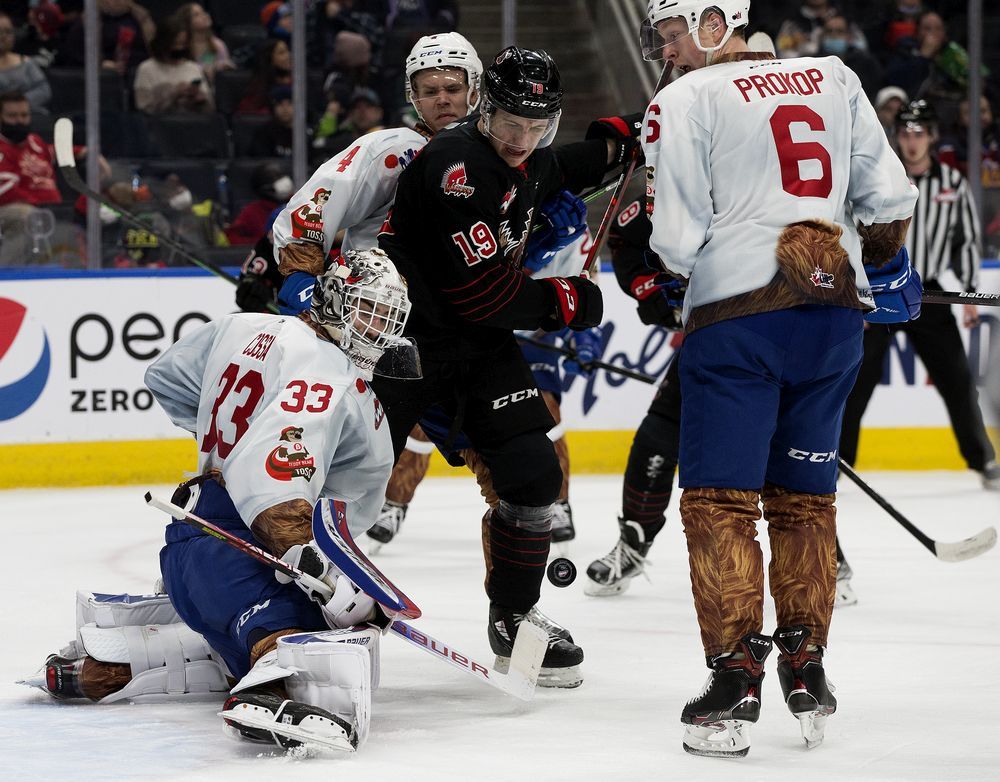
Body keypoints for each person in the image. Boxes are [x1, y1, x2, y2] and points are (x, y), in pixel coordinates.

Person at [640, 0, 918, 757]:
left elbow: (676, 236)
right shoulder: (831, 74)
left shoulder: (684, 98)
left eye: (672, 33)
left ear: (712, 20)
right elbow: (886, 197)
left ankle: (733, 680)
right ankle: (806, 664)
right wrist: (889, 265)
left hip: (739, 320)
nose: (667, 50)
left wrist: (669, 279)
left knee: (720, 501)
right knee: (804, 500)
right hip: (832, 319)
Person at [26, 250, 413, 755]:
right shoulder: (325, 373)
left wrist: (225, 447)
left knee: (225, 637)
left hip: (191, 534)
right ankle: (265, 694)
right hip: (246, 543)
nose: (378, 329)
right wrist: (331, 575)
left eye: (388, 317)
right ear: (335, 301)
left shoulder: (245, 326)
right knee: (313, 635)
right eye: (368, 310)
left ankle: (104, 667)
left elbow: (165, 376)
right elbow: (273, 486)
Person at [369, 45, 641, 687]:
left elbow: (567, 164)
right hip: (406, 351)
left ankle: (515, 619)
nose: (522, 139)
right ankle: (277, 600)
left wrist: (629, 137)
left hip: (477, 349)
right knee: (352, 482)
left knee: (531, 473)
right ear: (484, 110)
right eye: (510, 123)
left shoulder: (523, 153)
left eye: (537, 126)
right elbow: (483, 294)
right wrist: (567, 300)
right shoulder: (455, 165)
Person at [840, 100, 1000, 491]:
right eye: (906, 133)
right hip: (878, 293)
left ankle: (983, 460)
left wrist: (968, 295)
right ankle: (840, 461)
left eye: (919, 134)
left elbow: (966, 240)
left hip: (928, 295)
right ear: (897, 136)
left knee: (958, 382)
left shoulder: (952, 182)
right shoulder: (881, 178)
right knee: (857, 382)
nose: (912, 142)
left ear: (932, 137)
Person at [133, 14, 214, 115]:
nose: (179, 48)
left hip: (193, 123)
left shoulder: (194, 68)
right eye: (175, 44)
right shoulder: (146, 68)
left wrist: (199, 98)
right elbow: (143, 107)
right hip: (159, 126)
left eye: (183, 44)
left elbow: (210, 108)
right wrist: (174, 94)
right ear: (163, 43)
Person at [0, 11, 50, 114]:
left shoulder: (27, 62)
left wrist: (18, 105)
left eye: (8, 32)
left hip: (29, 115)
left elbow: (44, 91)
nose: (3, 36)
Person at [175, 2, 234, 84]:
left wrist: (223, 66)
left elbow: (226, 69)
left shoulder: (217, 44)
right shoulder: (182, 46)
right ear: (187, 22)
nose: (205, 16)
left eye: (203, 12)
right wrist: (205, 70)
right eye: (197, 15)